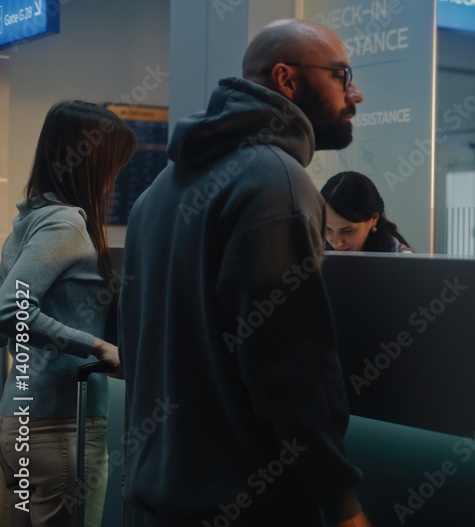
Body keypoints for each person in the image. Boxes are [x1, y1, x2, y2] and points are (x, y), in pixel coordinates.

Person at [118, 19, 370, 526]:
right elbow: (290, 364)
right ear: (286, 79)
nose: (355, 94)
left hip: (154, 500)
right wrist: (341, 501)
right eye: (342, 75)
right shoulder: (276, 180)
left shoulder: (157, 192)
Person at [0, 100, 134, 526]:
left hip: (22, 419)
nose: (116, 176)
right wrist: (97, 345)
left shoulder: (30, 220)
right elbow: (10, 310)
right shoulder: (65, 224)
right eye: (114, 162)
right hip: (59, 426)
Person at [321, 171, 414, 253]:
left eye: (348, 231)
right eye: (327, 229)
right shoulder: (316, 254)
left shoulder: (402, 261)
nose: (337, 243)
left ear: (373, 219)